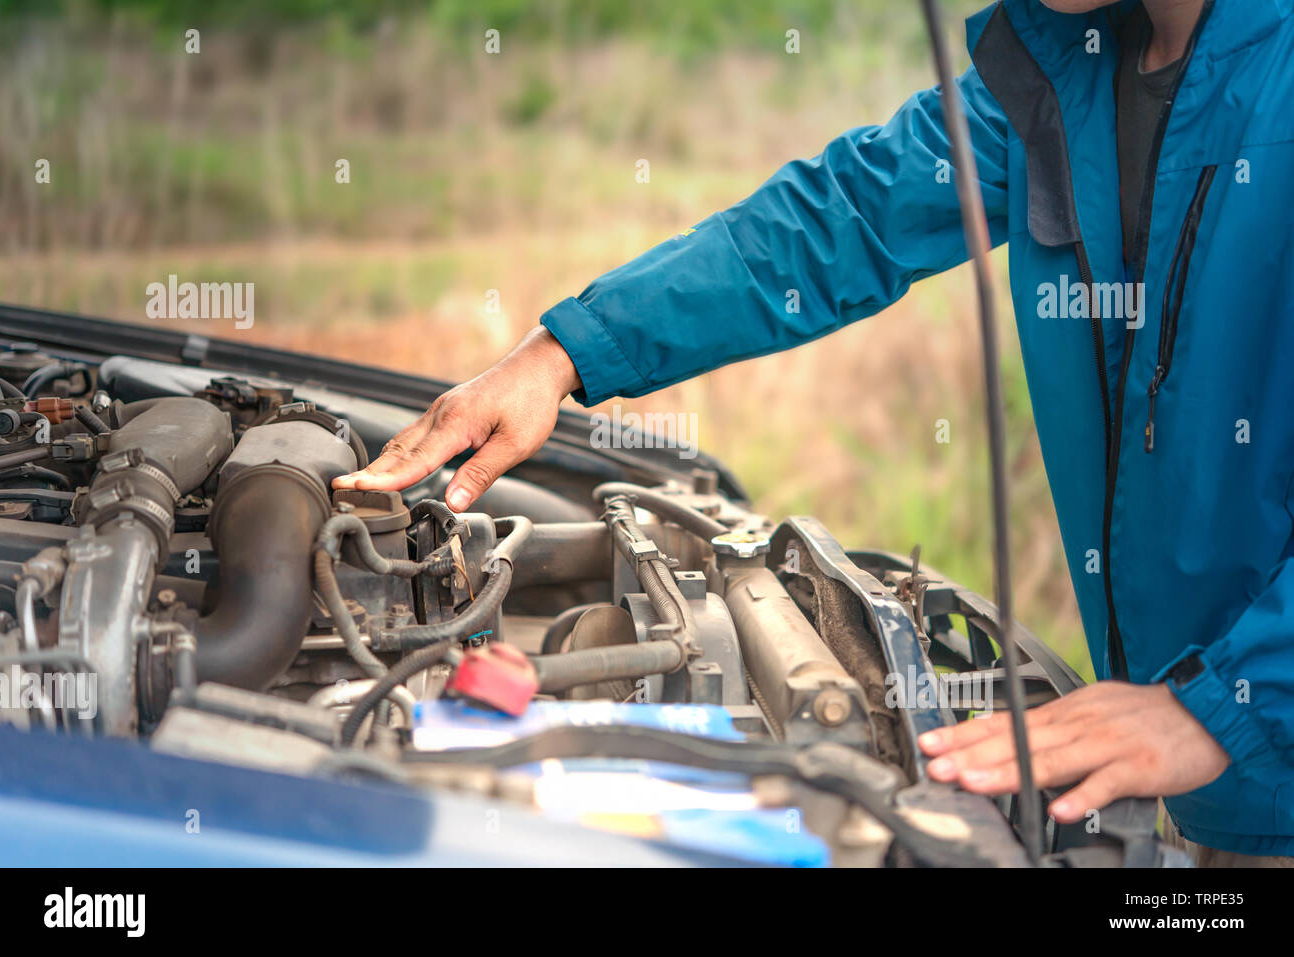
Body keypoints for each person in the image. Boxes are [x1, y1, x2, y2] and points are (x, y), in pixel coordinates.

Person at [335, 0, 1294, 866]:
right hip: (1197, 779)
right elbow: (840, 216)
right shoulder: (1065, 69)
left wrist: (1221, 708)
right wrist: (564, 353)